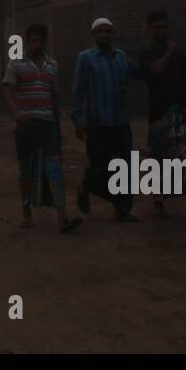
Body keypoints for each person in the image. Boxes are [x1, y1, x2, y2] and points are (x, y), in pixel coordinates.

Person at [3, 23, 81, 234]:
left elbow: (54, 98)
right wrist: (17, 113)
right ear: (26, 41)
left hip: (47, 123)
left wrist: (57, 129)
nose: (37, 45)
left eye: (40, 41)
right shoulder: (16, 64)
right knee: (26, 169)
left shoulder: (52, 65)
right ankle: (26, 213)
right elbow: (8, 91)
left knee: (54, 167)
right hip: (26, 124)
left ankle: (62, 218)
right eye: (33, 41)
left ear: (45, 42)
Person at [139, 10, 186, 222]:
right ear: (149, 29)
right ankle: (158, 203)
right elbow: (156, 70)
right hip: (158, 116)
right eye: (158, 27)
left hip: (178, 116)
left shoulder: (179, 54)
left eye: (165, 26)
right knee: (159, 162)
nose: (162, 30)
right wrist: (169, 52)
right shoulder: (147, 54)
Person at [71, 17, 144, 222]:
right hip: (97, 123)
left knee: (125, 168)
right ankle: (86, 184)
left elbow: (139, 73)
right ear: (93, 35)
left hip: (120, 122)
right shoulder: (85, 58)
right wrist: (78, 121)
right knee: (100, 169)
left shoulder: (121, 57)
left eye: (107, 31)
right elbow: (78, 91)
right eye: (100, 31)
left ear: (113, 34)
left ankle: (123, 209)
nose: (104, 34)